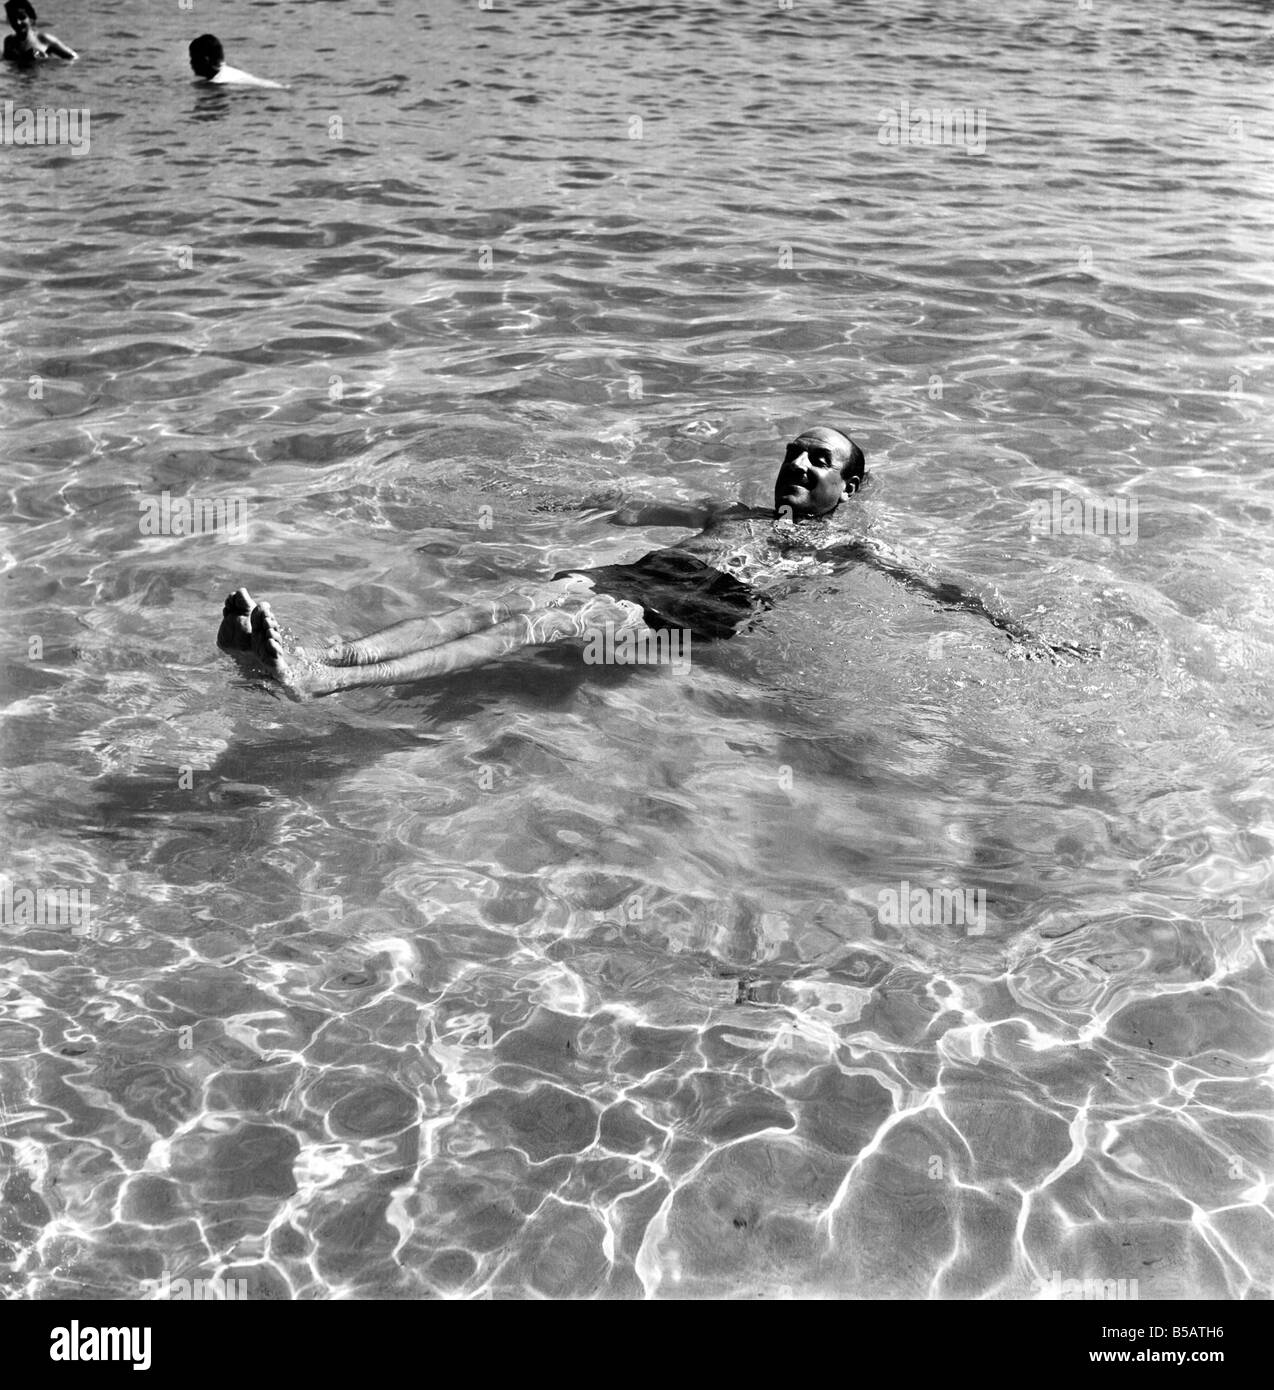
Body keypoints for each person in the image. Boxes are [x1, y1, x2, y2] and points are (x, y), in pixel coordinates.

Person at [217, 426, 1097, 700]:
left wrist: (1018, 630)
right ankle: (323, 658)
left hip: (697, 609)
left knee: (534, 630)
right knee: (486, 608)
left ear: (849, 489)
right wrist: (519, 491)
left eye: (820, 460)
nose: (798, 464)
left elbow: (940, 585)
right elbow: (631, 503)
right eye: (794, 450)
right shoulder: (729, 509)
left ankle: (314, 684)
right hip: (634, 574)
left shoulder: (848, 544)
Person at [188, 33, 282, 88]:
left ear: (206, 59)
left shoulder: (220, 83)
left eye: (193, 58)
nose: (191, 63)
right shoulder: (229, 72)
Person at [2, 0, 76, 62]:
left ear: (31, 19)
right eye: (13, 19)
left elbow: (74, 58)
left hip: (42, 78)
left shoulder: (44, 39)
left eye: (22, 17)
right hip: (18, 78)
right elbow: (7, 62)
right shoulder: (9, 42)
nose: (18, 22)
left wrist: (42, 57)